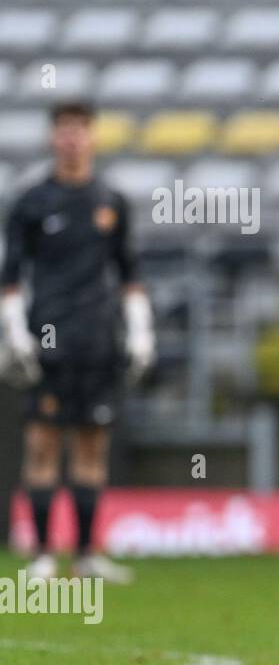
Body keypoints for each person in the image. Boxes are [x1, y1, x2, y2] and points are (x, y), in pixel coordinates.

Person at [1, 100, 154, 582]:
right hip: (48, 339)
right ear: (53, 138)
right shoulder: (31, 202)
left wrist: (141, 329)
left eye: (80, 130)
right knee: (43, 444)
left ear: (92, 137)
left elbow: (129, 274)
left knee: (91, 446)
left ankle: (87, 553)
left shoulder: (111, 202)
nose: (71, 139)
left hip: (97, 340)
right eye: (64, 130)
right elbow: (11, 277)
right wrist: (15, 332)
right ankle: (44, 555)